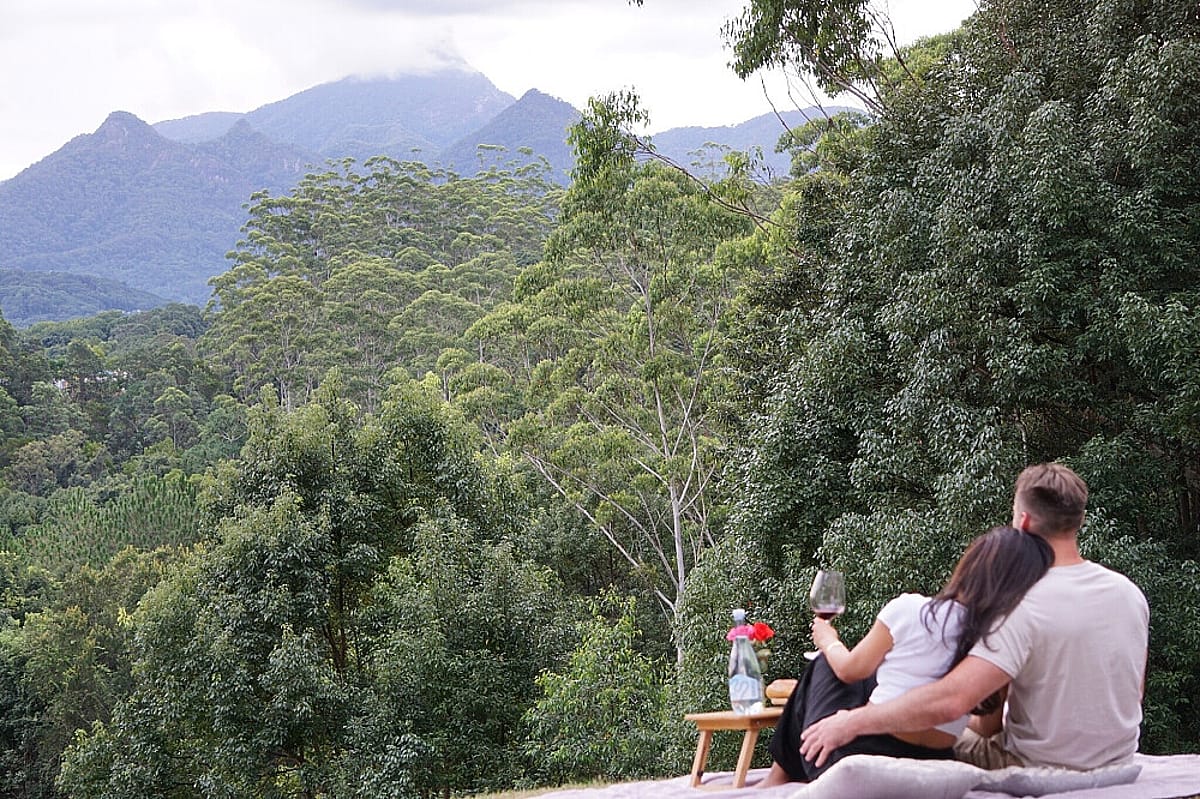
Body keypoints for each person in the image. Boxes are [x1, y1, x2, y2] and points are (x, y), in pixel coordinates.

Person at [800, 463, 1150, 772]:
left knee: (883, 710)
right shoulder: (1129, 593)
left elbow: (951, 701)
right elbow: (1132, 693)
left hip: (1034, 764)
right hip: (1116, 761)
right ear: (1079, 521)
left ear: (1023, 522)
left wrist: (850, 723)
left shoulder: (1019, 602)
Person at [758, 525, 1053, 786]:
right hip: (935, 762)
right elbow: (988, 728)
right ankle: (778, 777)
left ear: (970, 567)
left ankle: (776, 778)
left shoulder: (910, 609)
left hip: (858, 755)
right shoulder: (999, 641)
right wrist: (952, 721)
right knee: (878, 675)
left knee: (826, 664)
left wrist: (827, 639)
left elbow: (850, 670)